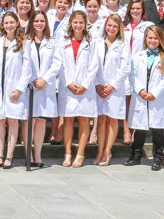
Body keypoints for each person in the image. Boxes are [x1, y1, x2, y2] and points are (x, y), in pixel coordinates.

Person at [49, 11, 99, 167]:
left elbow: (94, 66)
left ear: (85, 25)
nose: (78, 26)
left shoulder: (92, 43)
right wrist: (68, 83)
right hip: (68, 88)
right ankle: (68, 152)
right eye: (75, 22)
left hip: (86, 88)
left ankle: (80, 154)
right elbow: (59, 65)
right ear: (70, 23)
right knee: (68, 120)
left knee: (84, 120)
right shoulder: (63, 42)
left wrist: (85, 85)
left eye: (81, 23)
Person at [126, 25, 164, 171]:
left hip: (157, 98)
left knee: (157, 130)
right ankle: (135, 155)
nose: (152, 41)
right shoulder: (138, 56)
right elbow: (132, 75)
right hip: (141, 96)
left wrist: (154, 93)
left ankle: (157, 158)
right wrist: (140, 91)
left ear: (160, 40)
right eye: (150, 38)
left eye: (155, 38)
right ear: (145, 39)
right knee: (139, 129)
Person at [0, 12, 31, 169]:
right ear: (2, 25)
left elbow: (27, 69)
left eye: (12, 22)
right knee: (0, 120)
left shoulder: (24, 42)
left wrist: (20, 89)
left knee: (13, 120)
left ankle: (9, 155)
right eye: (6, 23)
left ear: (17, 23)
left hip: (14, 90)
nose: (9, 25)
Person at [94, 15, 129, 166]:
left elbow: (125, 68)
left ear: (119, 28)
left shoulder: (123, 45)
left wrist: (112, 86)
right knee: (101, 119)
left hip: (115, 89)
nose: (111, 28)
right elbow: (92, 65)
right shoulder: (97, 43)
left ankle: (107, 152)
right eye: (109, 25)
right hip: (99, 88)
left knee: (112, 119)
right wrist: (97, 84)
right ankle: (100, 151)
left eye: (115, 26)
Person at [25, 11, 55, 167]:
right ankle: (28, 154)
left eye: (42, 20)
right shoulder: (25, 41)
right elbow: (23, 64)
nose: (39, 23)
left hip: (45, 86)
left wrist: (45, 79)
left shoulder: (52, 41)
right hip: (30, 86)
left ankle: (38, 155)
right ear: (31, 23)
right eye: (36, 21)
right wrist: (32, 79)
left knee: (42, 120)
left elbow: (57, 64)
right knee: (31, 120)